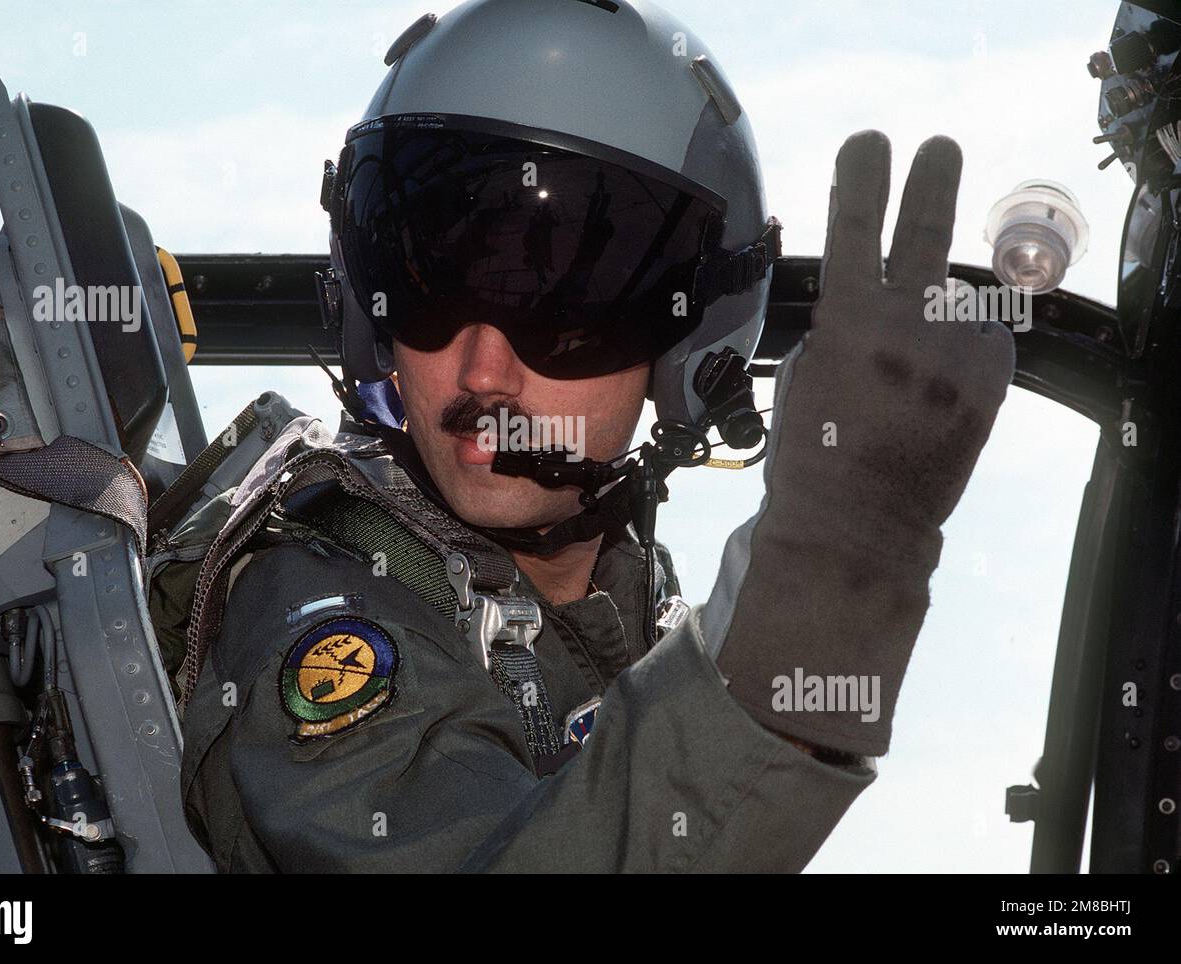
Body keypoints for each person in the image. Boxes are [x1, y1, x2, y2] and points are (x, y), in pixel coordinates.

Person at [176, 0, 1015, 872]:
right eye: (427, 291)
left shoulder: (627, 609)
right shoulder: (320, 616)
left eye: (568, 312)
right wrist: (840, 546)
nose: (483, 375)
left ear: (687, 347)